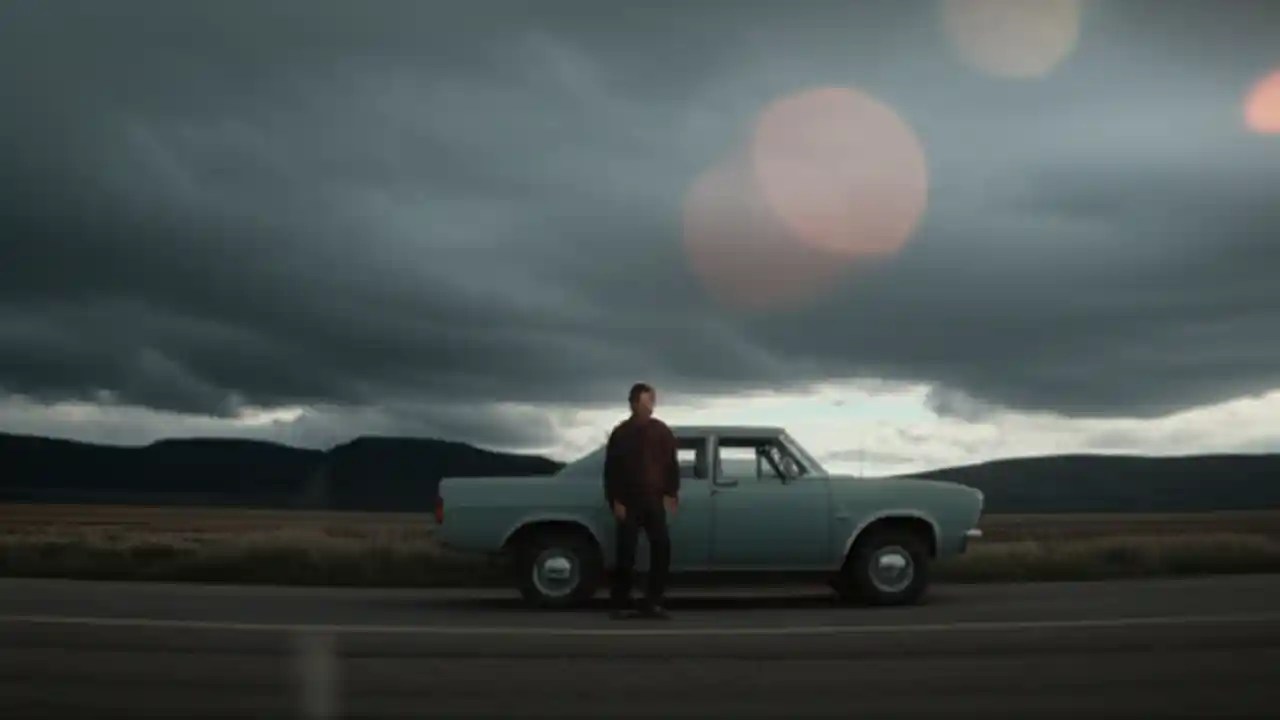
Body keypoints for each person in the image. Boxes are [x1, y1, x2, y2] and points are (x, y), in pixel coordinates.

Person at [603, 382, 679, 619]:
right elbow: (611, 471)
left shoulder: (662, 431)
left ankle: (653, 601)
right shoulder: (621, 433)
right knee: (626, 552)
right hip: (629, 500)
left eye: (652, 401)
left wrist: (671, 493)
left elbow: (671, 464)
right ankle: (621, 602)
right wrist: (615, 500)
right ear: (634, 403)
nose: (651, 406)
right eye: (647, 401)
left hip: (654, 500)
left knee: (662, 549)